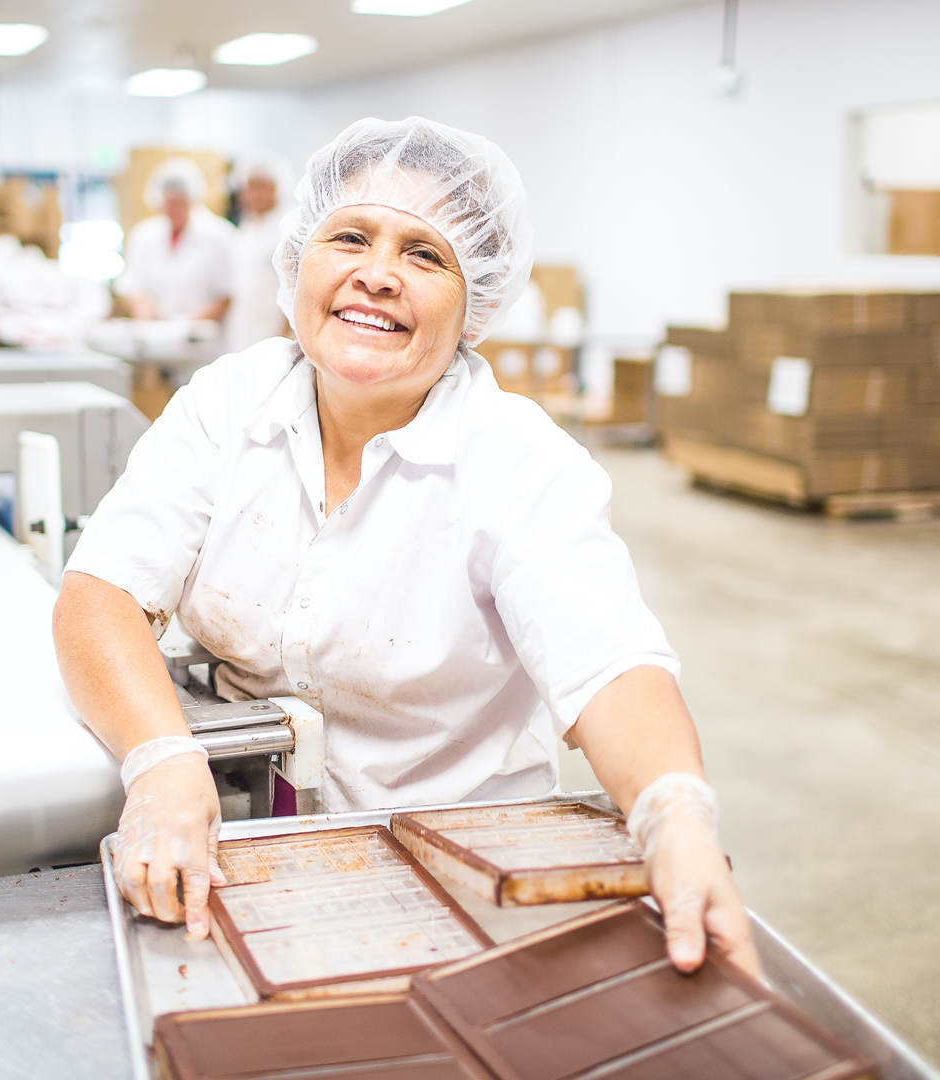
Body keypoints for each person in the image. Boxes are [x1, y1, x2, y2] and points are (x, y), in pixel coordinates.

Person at [53, 116, 760, 979]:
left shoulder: (519, 461)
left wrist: (674, 814)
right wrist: (162, 759)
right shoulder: (227, 405)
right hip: (241, 845)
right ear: (298, 260)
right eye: (349, 236)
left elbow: (608, 665)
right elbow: (102, 595)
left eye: (426, 255)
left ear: (477, 303)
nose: (377, 275)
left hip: (462, 872)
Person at [115, 158, 235, 323]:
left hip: (204, 340)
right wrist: (142, 305)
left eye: (179, 202)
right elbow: (130, 283)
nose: (173, 209)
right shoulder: (144, 235)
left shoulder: (219, 236)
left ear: (192, 199)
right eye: (168, 203)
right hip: (156, 335)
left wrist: (189, 323)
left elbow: (228, 292)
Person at [224, 150, 293, 352]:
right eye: (249, 188)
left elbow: (294, 286)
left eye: (260, 187)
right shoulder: (245, 229)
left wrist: (285, 336)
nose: (253, 195)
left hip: (272, 330)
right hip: (242, 331)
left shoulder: (288, 227)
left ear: (276, 188)